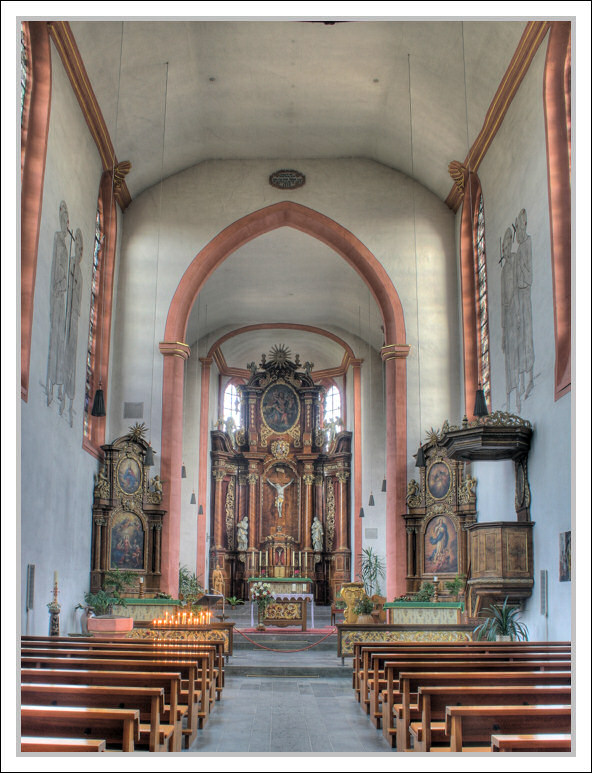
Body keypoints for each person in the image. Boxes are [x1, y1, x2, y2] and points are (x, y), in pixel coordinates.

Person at [46, 201, 69, 406]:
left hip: (62, 299)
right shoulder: (57, 240)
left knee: (61, 341)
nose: (63, 222)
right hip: (57, 296)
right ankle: (51, 383)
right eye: (62, 218)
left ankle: (58, 385)